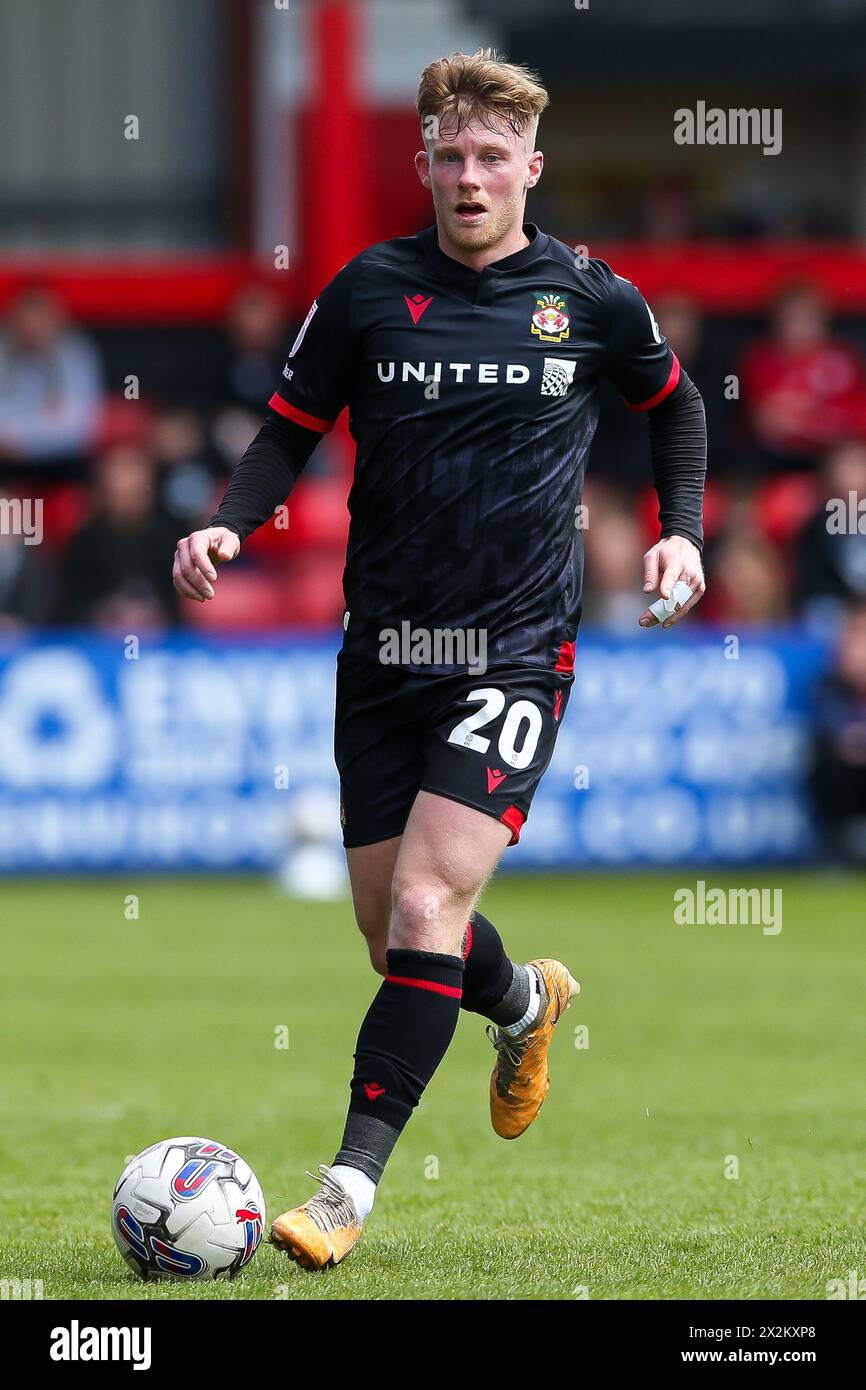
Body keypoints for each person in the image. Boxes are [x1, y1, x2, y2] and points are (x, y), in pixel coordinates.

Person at [172, 48, 707, 1270]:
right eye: (448, 157)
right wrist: (227, 522)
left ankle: (346, 1186)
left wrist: (679, 530)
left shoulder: (587, 298)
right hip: (383, 654)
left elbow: (672, 404)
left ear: (530, 166)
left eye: (489, 158)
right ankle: (524, 1003)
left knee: (426, 901)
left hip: (513, 652)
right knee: (391, 931)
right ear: (421, 164)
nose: (468, 178)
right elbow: (289, 428)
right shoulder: (367, 290)